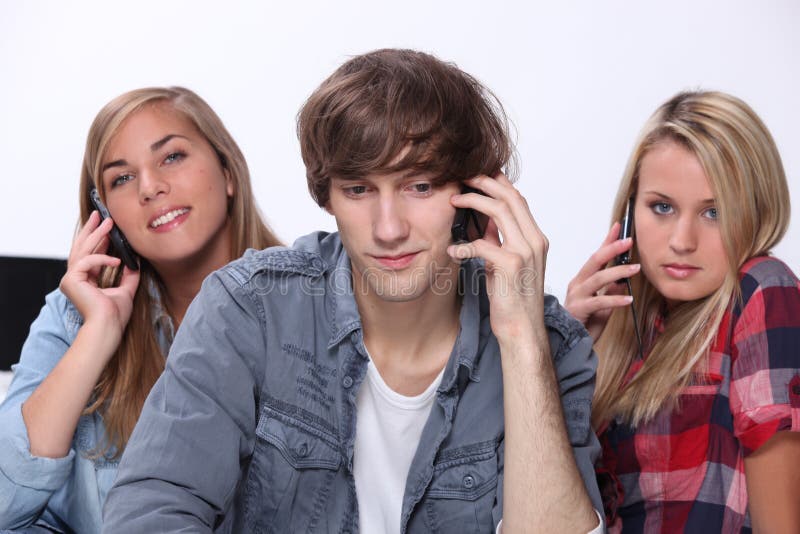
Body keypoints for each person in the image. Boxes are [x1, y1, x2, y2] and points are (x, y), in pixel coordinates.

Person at [104, 49, 604, 533]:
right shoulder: (249, 309)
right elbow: (149, 513)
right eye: (359, 190)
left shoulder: (554, 347)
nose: (388, 229)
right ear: (328, 196)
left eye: (420, 186)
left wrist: (520, 337)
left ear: (479, 195)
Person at [0, 86, 281, 533]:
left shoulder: (309, 304)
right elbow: (7, 509)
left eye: (171, 157)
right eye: (122, 179)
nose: (151, 187)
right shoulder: (72, 317)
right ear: (104, 215)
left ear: (228, 172)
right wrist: (97, 334)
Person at [565, 90, 800, 532]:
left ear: (755, 211)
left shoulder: (763, 291)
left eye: (714, 212)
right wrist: (563, 347)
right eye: (663, 207)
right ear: (631, 211)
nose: (682, 240)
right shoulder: (623, 324)